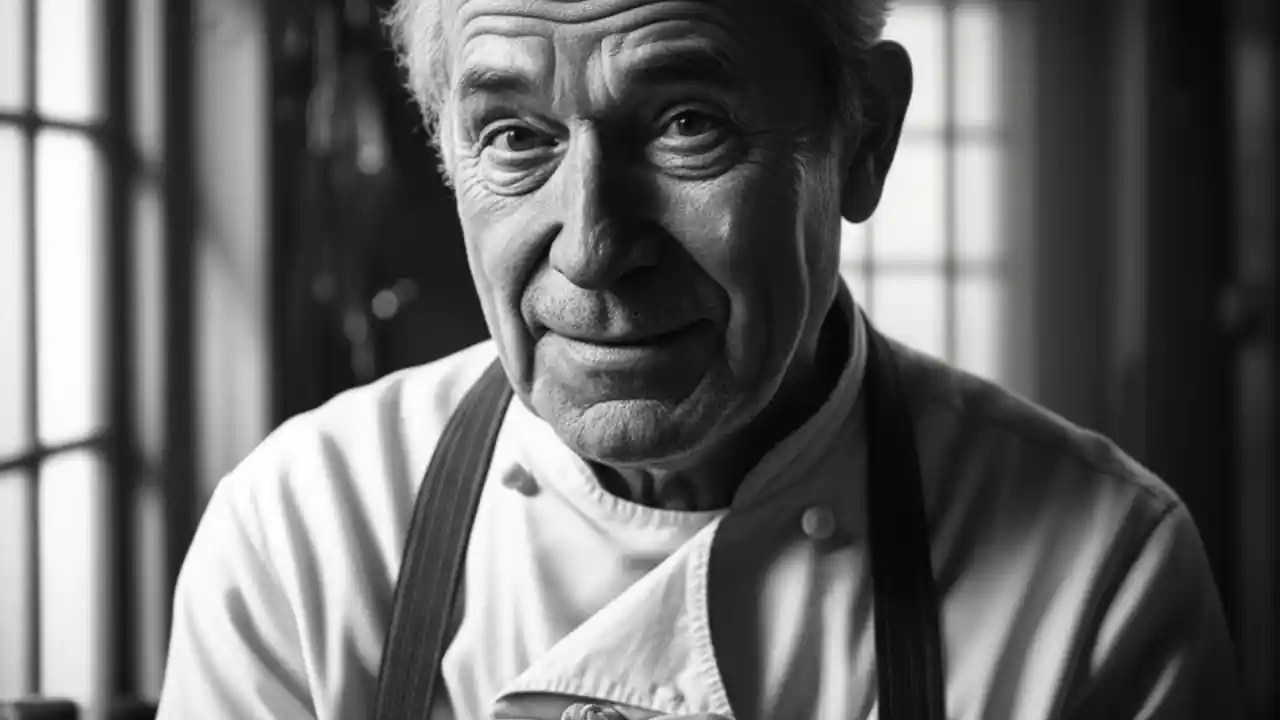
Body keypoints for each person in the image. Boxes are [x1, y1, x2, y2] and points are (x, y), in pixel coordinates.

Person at [156, 0, 1242, 718]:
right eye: (515, 136)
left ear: (862, 134)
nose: (591, 246)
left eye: (684, 122)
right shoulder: (300, 535)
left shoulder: (1100, 570)